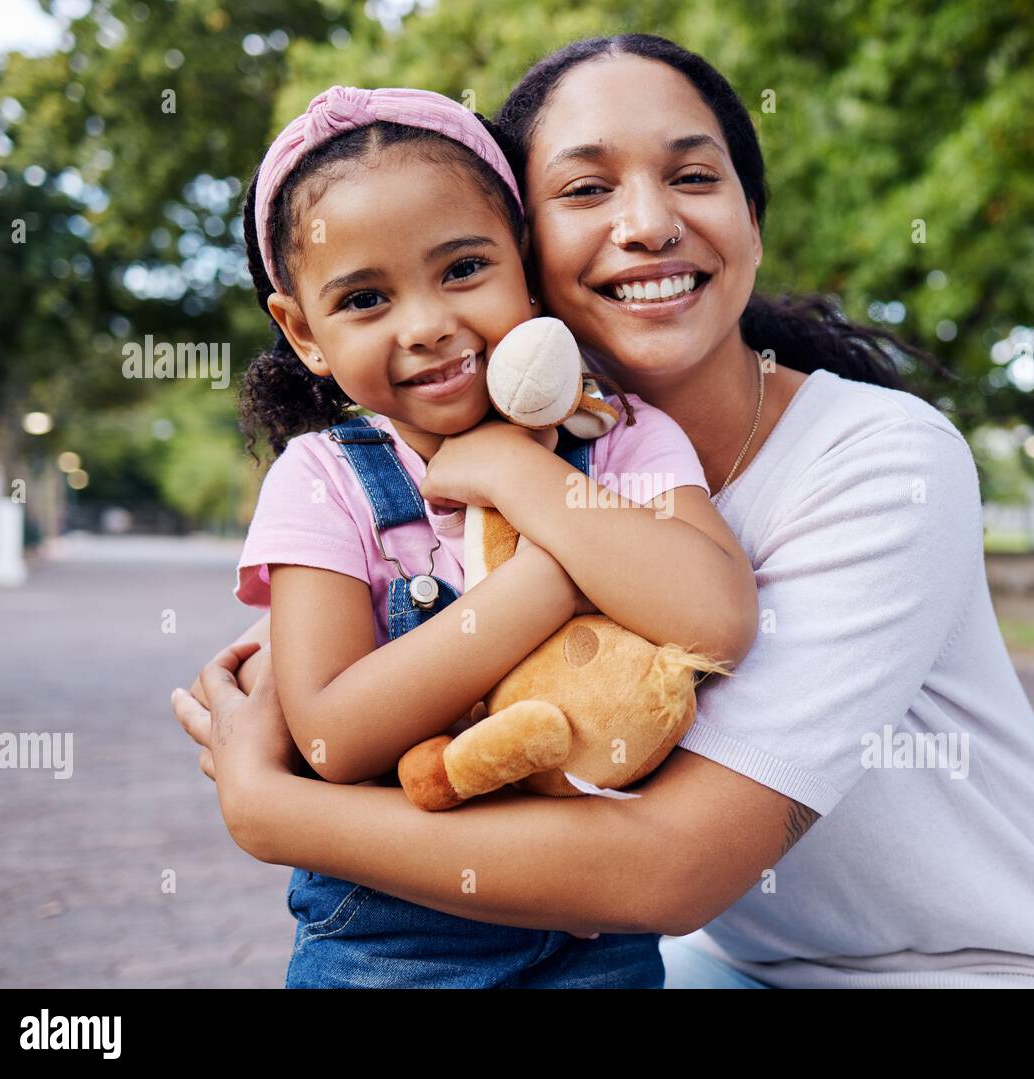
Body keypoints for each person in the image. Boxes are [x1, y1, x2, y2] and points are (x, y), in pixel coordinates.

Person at [177, 34, 1034, 989]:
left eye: (693, 177)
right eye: (587, 187)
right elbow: (337, 708)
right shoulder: (370, 471)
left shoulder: (878, 458)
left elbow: (669, 867)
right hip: (728, 962)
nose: (648, 223)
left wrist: (274, 812)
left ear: (752, 221)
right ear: (534, 241)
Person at [220, 83, 757, 989]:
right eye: (364, 298)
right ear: (302, 330)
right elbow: (334, 738)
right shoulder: (323, 482)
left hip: (599, 933)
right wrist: (551, 577)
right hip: (391, 947)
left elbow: (716, 619)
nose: (428, 325)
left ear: (525, 261)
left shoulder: (622, 437)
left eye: (464, 269)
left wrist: (515, 473)